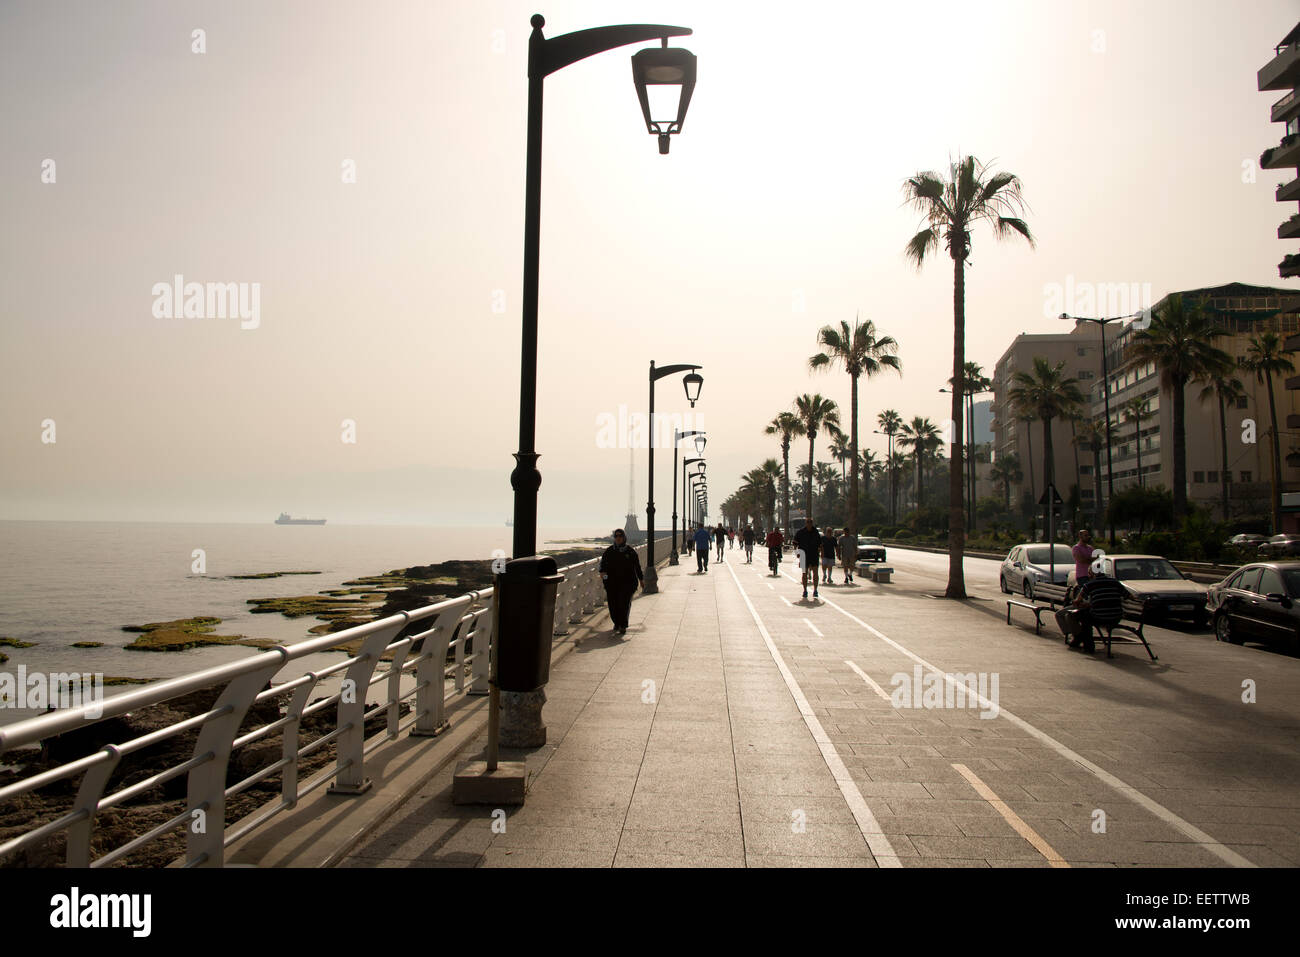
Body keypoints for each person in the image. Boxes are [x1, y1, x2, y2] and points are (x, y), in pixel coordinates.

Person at [1068, 557, 1126, 654]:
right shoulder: (1115, 582)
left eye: (1089, 573)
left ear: (1092, 573)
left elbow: (1077, 601)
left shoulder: (1089, 585)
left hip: (1099, 616)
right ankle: (1079, 639)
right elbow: (1129, 596)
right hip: (1116, 616)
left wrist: (1083, 604)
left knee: (1080, 617)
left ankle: (1085, 644)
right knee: (1087, 615)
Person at [599, 529, 643, 636]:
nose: (618, 538)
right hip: (612, 584)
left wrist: (641, 579)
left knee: (624, 604)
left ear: (624, 538)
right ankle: (617, 622)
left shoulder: (630, 552)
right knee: (613, 605)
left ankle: (623, 625)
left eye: (620, 536)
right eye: (616, 536)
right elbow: (602, 568)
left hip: (628, 583)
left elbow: (637, 567)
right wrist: (605, 580)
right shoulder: (609, 551)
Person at [793, 517, 822, 600]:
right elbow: (795, 543)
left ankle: (815, 590)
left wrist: (821, 552)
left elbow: (820, 544)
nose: (809, 524)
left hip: (814, 555)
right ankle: (805, 590)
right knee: (804, 574)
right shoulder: (801, 532)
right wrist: (797, 552)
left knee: (815, 573)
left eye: (810, 522)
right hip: (803, 555)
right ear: (806, 523)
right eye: (808, 522)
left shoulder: (816, 532)